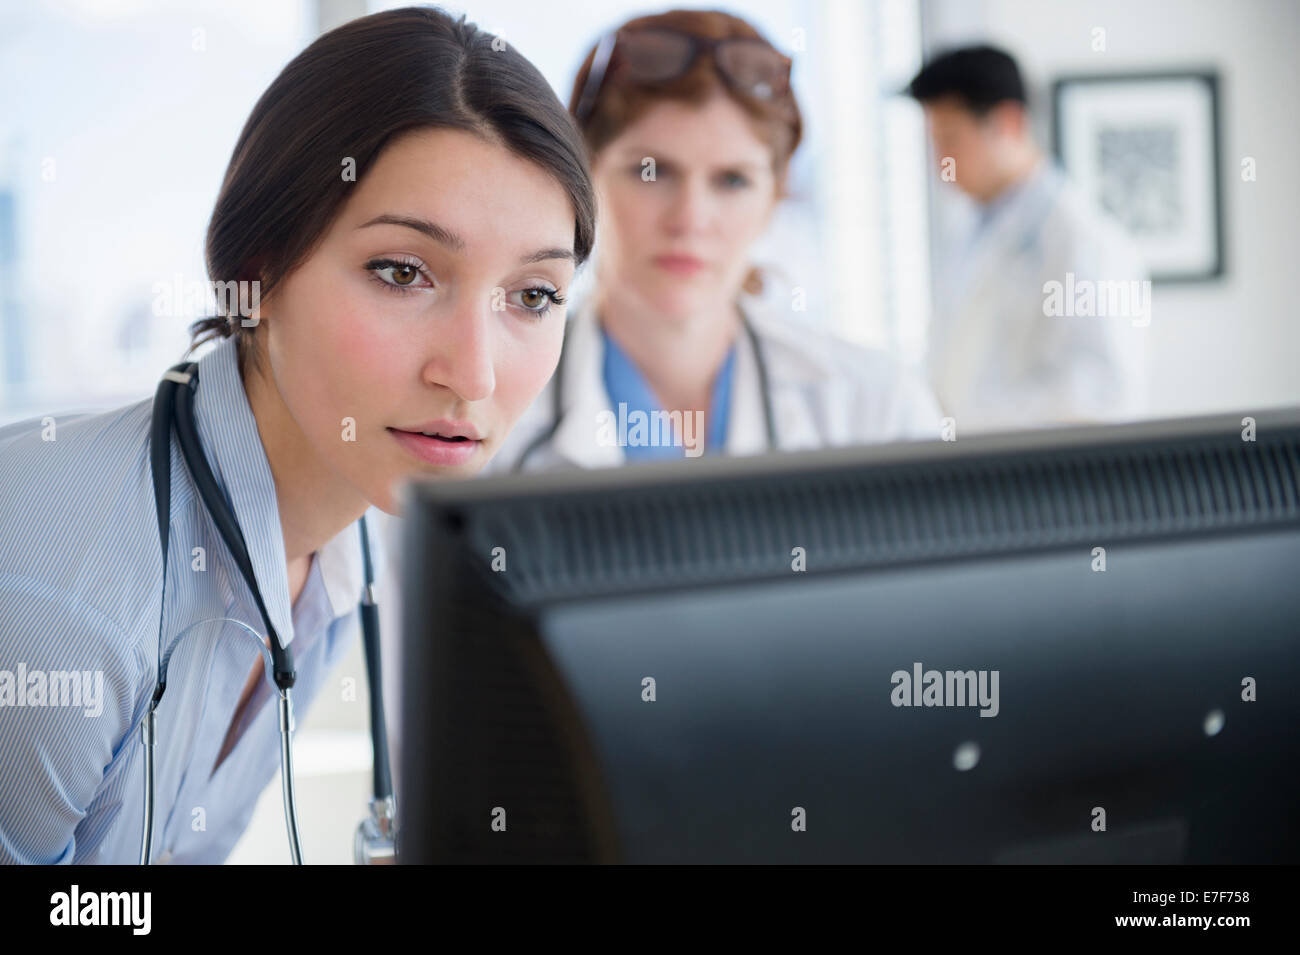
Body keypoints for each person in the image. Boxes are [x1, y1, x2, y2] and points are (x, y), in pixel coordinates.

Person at [0, 6, 594, 864]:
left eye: (533, 296)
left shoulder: (337, 545)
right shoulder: (66, 594)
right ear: (258, 272)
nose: (475, 375)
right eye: (403, 272)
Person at [488, 8, 940, 474]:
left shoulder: (877, 410)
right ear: (583, 180)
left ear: (776, 194)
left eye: (732, 181)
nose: (690, 219)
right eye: (653, 172)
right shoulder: (488, 413)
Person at [907, 44, 1147, 434]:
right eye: (933, 143)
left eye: (950, 141)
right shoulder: (970, 229)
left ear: (1008, 123)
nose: (939, 162)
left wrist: (964, 422)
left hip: (1039, 482)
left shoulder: (1082, 240)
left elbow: (1104, 395)